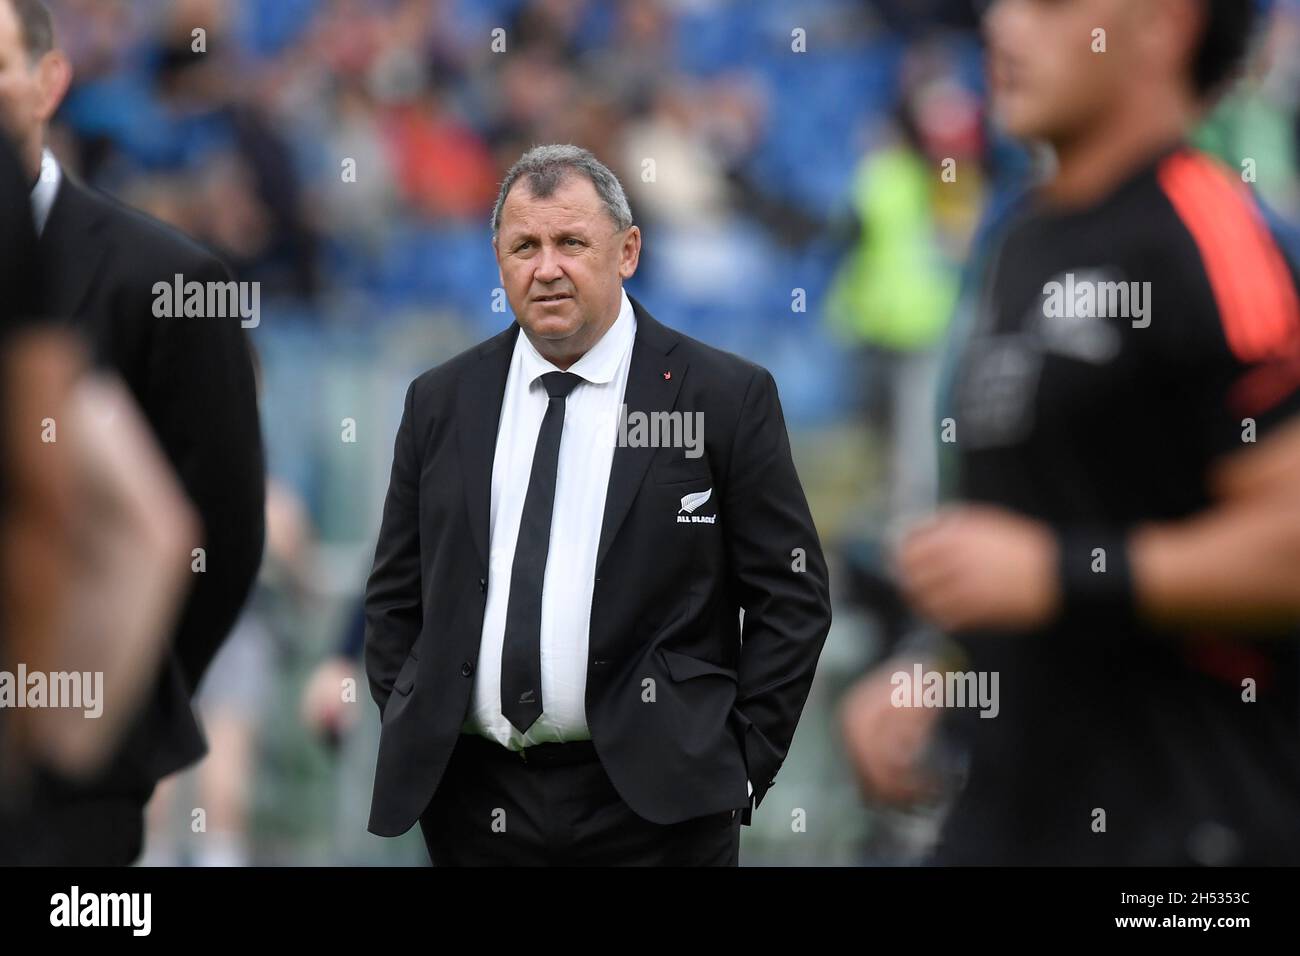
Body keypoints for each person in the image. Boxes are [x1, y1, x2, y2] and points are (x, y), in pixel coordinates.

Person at [850, 0, 1300, 865]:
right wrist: (936, 667)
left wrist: (1060, 574)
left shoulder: (1212, 240)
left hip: (1190, 840)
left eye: (1050, 4)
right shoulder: (1014, 242)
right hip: (1009, 821)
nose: (1003, 26)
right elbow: (1023, 534)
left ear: (1164, 24)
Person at [365, 144, 831, 865]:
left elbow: (791, 594)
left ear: (627, 251)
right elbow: (396, 596)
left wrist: (740, 761)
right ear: (498, 261)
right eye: (525, 245)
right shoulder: (441, 402)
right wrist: (416, 719)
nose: (546, 267)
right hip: (476, 808)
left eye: (571, 242)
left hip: (661, 811)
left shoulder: (721, 397)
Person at [0, 0, 265, 864]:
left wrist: (99, 715)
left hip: (63, 796)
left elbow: (217, 541)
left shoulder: (173, 281)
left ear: (49, 82)